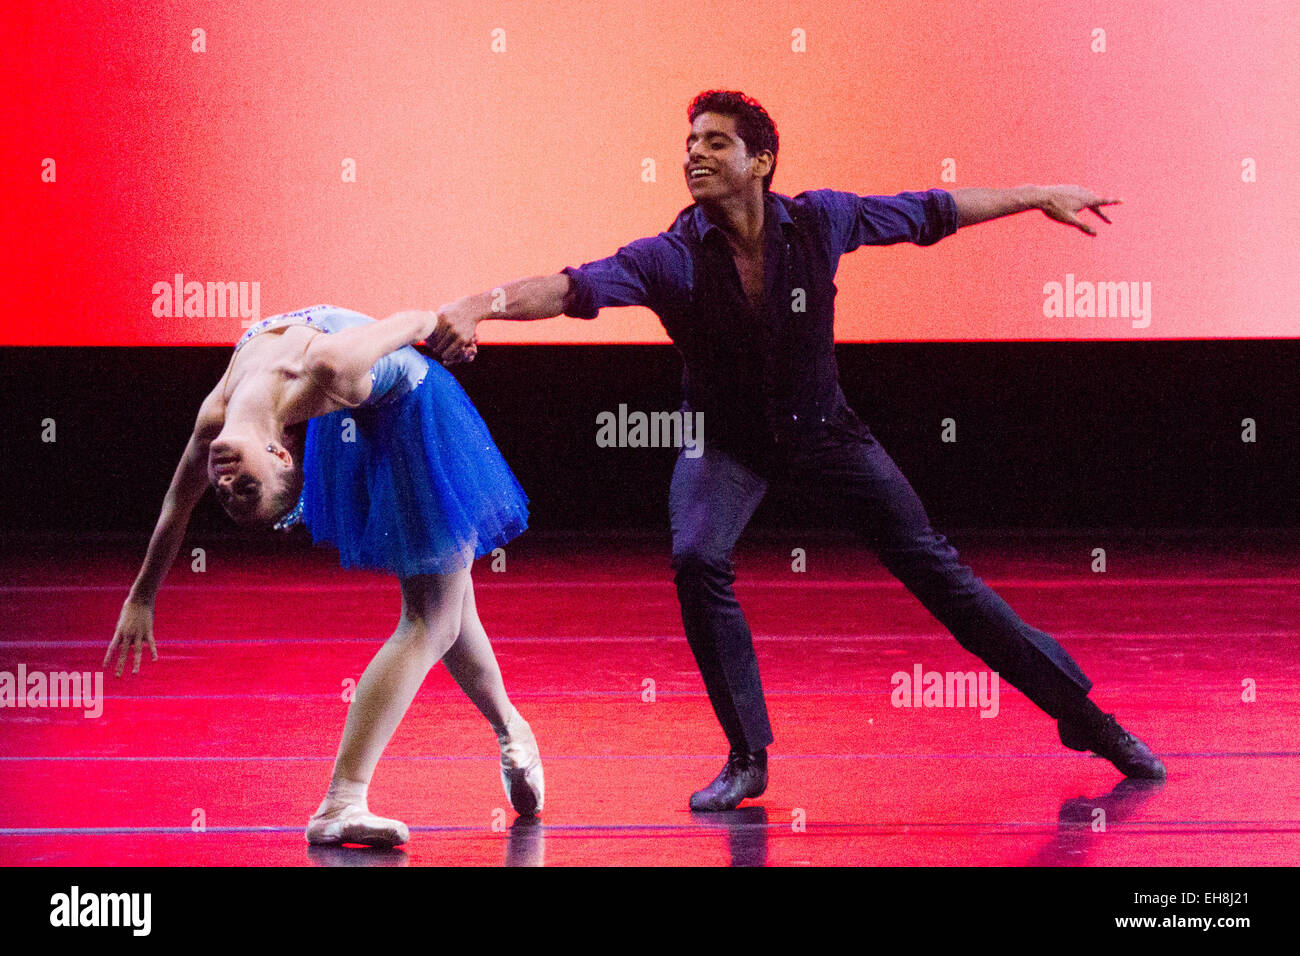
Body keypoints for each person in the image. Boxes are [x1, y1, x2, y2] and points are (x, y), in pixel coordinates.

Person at [428, 90, 1165, 812]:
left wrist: (1037, 195)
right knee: (697, 558)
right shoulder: (670, 257)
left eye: (716, 142)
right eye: (690, 143)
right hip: (725, 444)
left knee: (945, 579)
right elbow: (570, 288)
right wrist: (479, 305)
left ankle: (1084, 718)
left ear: (761, 162)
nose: (695, 155)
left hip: (825, 433)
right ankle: (747, 757)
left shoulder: (819, 221)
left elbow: (932, 212)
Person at [105, 304, 542, 845]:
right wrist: (142, 598)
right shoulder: (324, 371)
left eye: (234, 492)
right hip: (389, 419)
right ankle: (359, 795)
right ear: (279, 456)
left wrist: (452, 326)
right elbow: (178, 505)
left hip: (410, 412)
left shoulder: (225, 410)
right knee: (438, 616)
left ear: (281, 454)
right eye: (241, 491)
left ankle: (503, 736)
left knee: (444, 614)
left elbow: (416, 319)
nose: (225, 484)